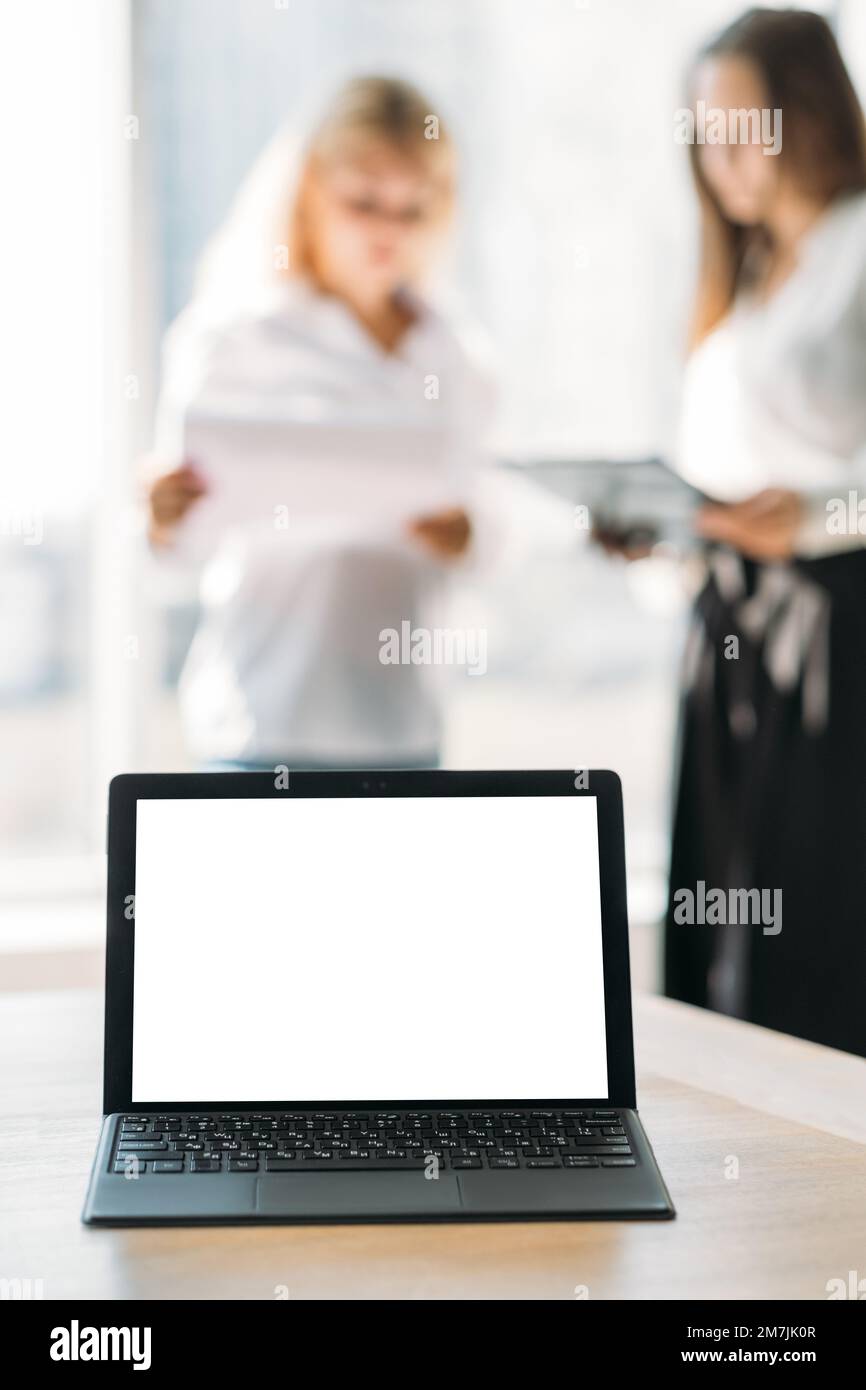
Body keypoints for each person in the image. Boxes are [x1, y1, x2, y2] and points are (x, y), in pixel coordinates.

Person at [146, 76, 494, 772]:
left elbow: (492, 528)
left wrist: (471, 533)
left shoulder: (454, 351)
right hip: (263, 725)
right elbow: (173, 551)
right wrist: (160, 512)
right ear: (309, 192)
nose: (387, 230)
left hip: (403, 732)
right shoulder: (233, 335)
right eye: (363, 202)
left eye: (412, 208)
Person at [663, 8, 866, 1055]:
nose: (722, 157)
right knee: (726, 908)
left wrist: (821, 515)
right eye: (704, 131)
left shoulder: (856, 247)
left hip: (833, 617)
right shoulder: (740, 277)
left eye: (745, 126)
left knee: (817, 913)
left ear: (809, 114)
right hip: (728, 618)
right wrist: (662, 531)